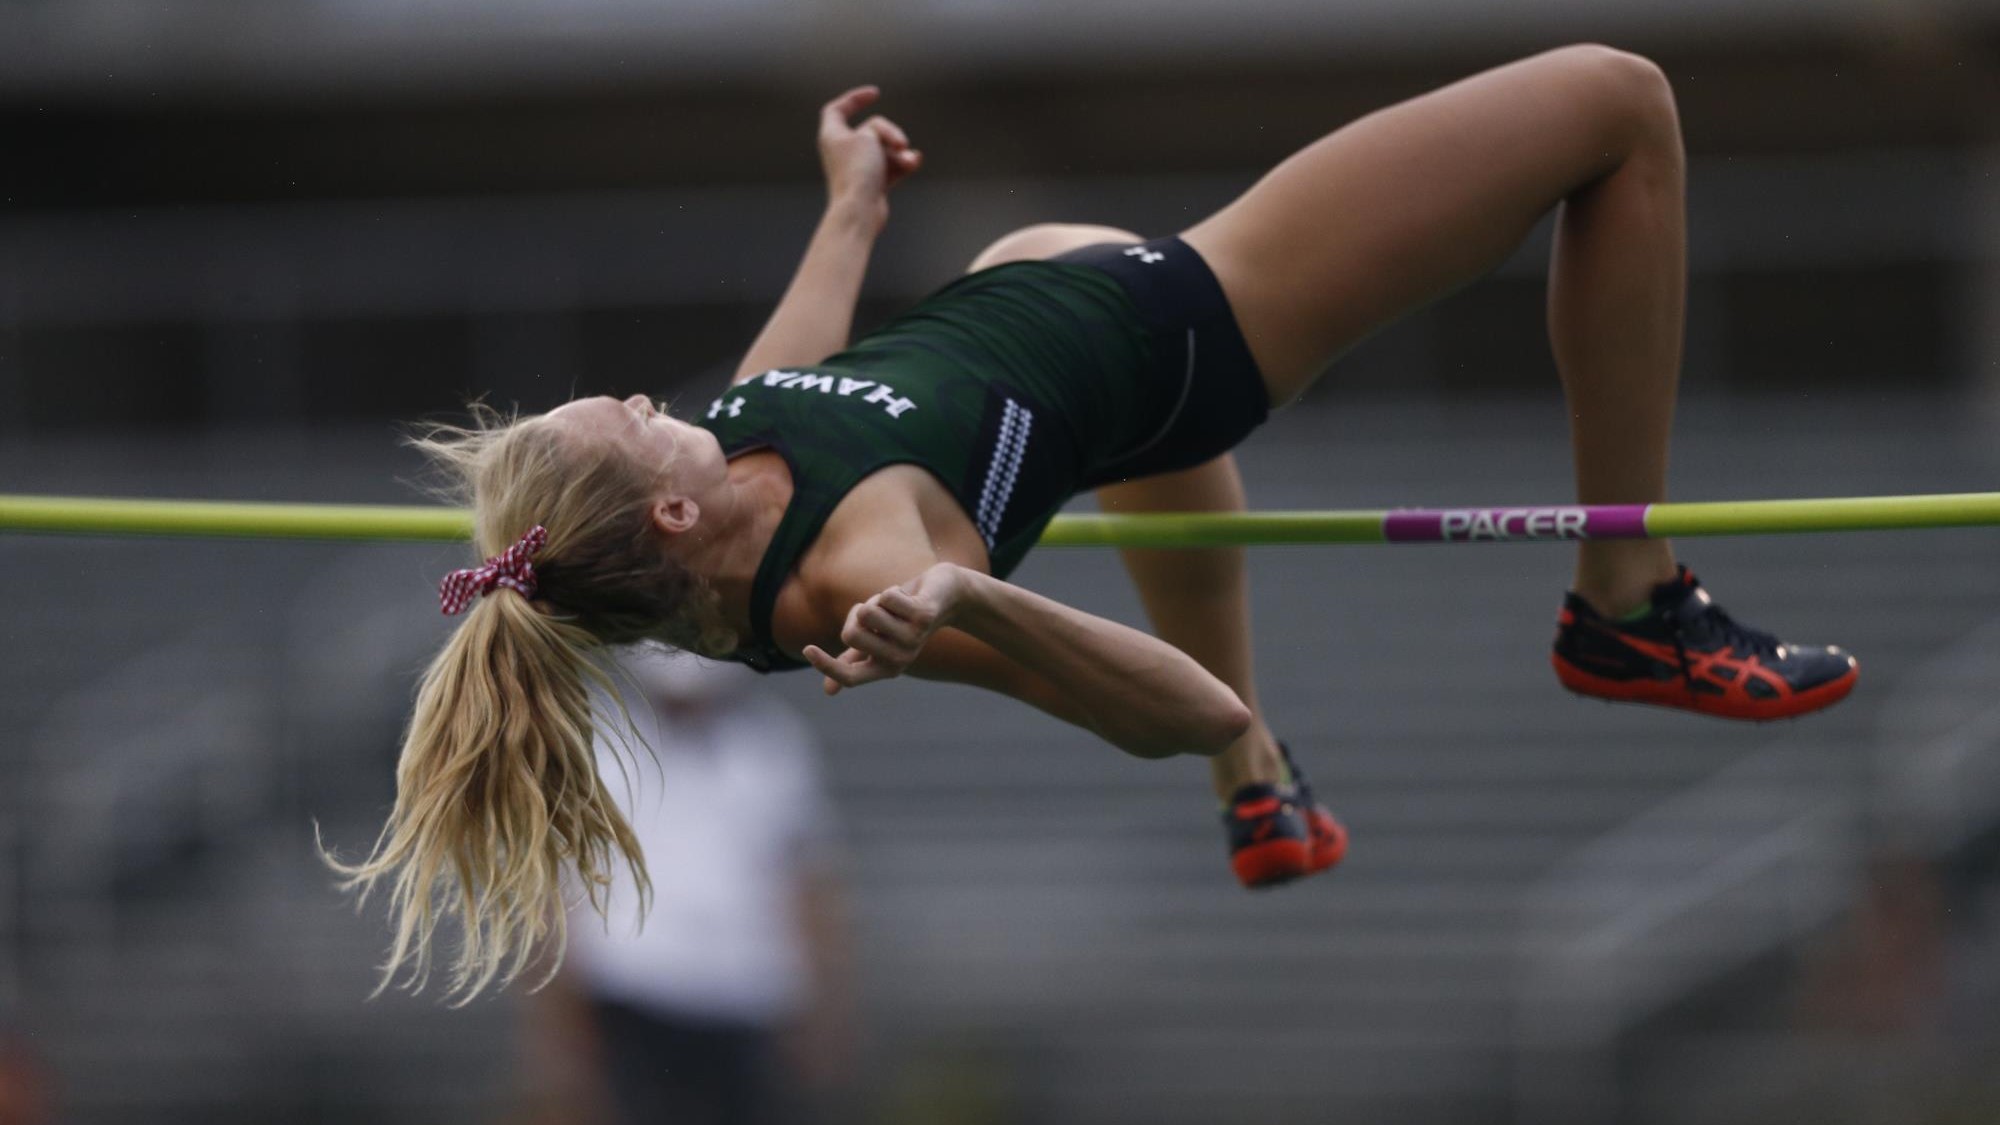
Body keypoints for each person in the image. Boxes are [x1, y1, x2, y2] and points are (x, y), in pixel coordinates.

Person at [331, 45, 1859, 1000]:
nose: (639, 395)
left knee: (1076, 384)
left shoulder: (713, 484)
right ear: (664, 503)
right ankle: (1628, 599)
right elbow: (1177, 711)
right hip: (1200, 319)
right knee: (1616, 103)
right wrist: (971, 606)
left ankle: (1266, 794)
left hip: (1062, 327)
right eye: (617, 409)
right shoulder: (865, 580)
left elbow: (784, 381)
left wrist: (851, 209)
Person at [514, 645, 850, 1125]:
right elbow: (559, 895)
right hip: (632, 993)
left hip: (744, 997)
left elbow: (806, 887)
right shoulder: (597, 745)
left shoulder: (772, 748)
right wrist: (557, 1028)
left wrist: (823, 1008)